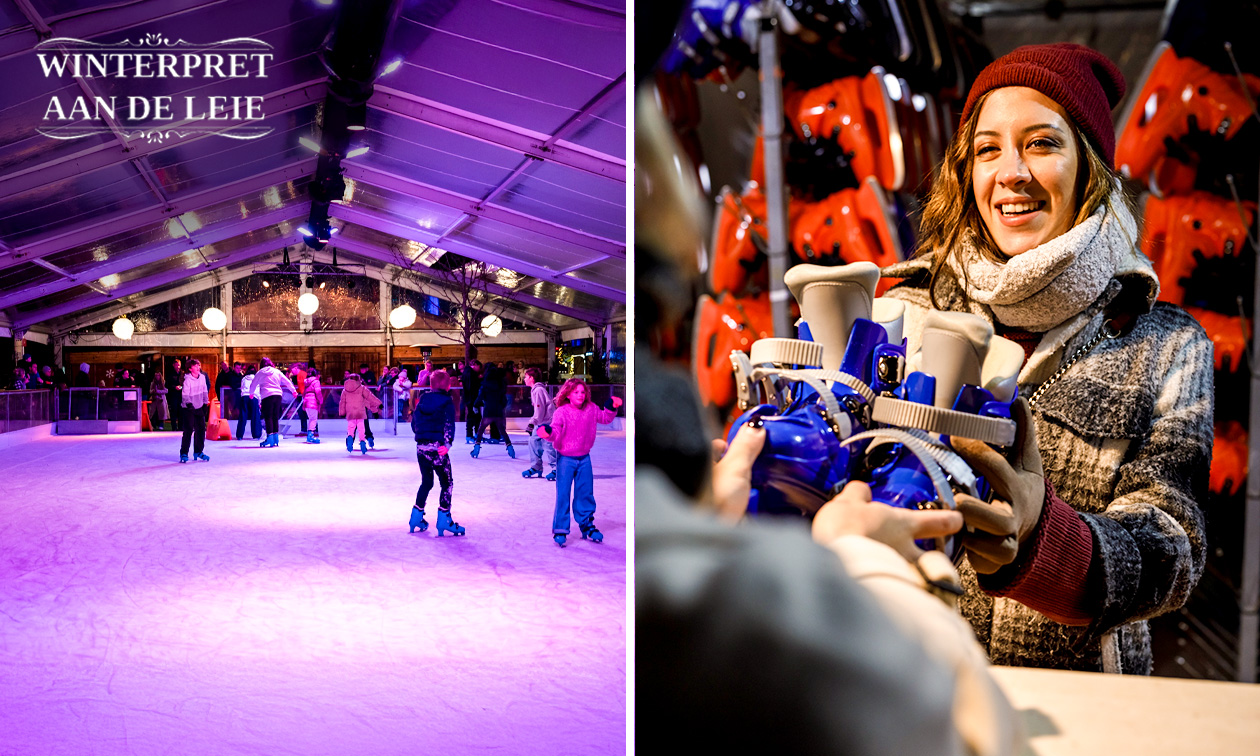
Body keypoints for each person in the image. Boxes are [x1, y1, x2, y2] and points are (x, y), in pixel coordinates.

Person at [876, 43, 1213, 674]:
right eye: (988, 148)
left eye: (1040, 143)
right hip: (911, 687)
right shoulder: (904, 310)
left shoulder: (1166, 342)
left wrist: (1044, 542)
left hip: (1084, 706)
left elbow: (1174, 548)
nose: (1011, 172)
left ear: (1088, 167)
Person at [536, 378, 620, 547]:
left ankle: (587, 525)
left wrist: (611, 406)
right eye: (576, 392)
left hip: (584, 458)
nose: (580, 395)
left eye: (582, 392)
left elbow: (604, 418)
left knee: (585, 494)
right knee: (563, 494)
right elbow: (556, 432)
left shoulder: (591, 409)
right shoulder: (562, 412)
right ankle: (560, 529)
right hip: (565, 459)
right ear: (568, 394)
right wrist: (548, 433)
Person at [408, 369, 464, 536]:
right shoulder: (447, 401)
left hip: (421, 448)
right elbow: (449, 423)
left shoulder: (423, 399)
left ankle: (416, 518)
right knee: (447, 483)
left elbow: (414, 422)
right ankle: (444, 519)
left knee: (426, 482)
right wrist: (447, 443)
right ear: (447, 386)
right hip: (437, 449)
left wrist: (421, 437)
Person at [249, 357, 297, 448]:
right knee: (275, 416)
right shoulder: (276, 371)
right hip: (278, 395)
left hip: (267, 396)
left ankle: (270, 437)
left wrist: (251, 393)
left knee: (268, 417)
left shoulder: (260, 372)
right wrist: (293, 391)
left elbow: (254, 383)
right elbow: (286, 381)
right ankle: (275, 438)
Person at [520, 368, 558, 481]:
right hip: (542, 421)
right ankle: (536, 466)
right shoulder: (536, 389)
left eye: (526, 377)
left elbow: (539, 410)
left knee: (548, 445)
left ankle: (557, 469)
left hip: (547, 422)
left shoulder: (538, 390)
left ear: (531, 378)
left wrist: (532, 423)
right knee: (533, 441)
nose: (524, 379)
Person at [470, 365, 513, 459]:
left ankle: (476, 449)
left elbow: (480, 396)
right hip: (498, 411)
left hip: (488, 410)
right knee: (502, 430)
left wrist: (475, 405)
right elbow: (504, 399)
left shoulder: (485, 385)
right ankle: (510, 448)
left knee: (481, 430)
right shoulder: (500, 385)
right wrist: (501, 407)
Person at [339, 370, 382, 455]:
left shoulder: (345, 390)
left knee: (351, 429)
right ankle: (362, 443)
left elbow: (342, 402)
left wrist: (342, 412)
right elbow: (370, 398)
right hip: (361, 413)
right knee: (362, 429)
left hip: (350, 413)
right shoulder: (362, 388)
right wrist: (378, 406)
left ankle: (350, 439)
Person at [178, 358, 211, 463]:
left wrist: (206, 403)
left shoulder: (202, 377)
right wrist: (188, 403)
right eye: (196, 365)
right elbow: (185, 394)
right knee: (188, 430)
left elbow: (205, 391)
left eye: (199, 365)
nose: (198, 367)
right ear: (190, 368)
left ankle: (198, 451)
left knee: (201, 430)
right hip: (189, 408)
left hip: (199, 406)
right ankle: (184, 453)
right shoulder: (187, 379)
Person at [237, 364, 262, 440]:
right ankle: (256, 435)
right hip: (253, 396)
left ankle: (239, 435)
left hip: (244, 396)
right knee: (255, 416)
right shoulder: (256, 378)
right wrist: (259, 401)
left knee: (243, 416)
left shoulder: (244, 378)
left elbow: (241, 388)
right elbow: (258, 391)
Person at [461, 359, 482, 444]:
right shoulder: (471, 374)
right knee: (473, 416)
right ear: (476, 365)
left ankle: (474, 434)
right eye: (479, 367)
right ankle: (471, 435)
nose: (479, 369)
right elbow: (472, 387)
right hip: (472, 399)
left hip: (469, 399)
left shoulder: (466, 373)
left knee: (474, 416)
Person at [357, 363, 378, 447]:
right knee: (358, 422)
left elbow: (370, 389)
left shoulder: (370, 375)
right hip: (359, 403)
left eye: (363, 368)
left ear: (367, 368)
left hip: (363, 402)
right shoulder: (358, 377)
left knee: (361, 421)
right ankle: (367, 437)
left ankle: (368, 437)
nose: (362, 370)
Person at [302, 367, 323, 444]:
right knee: (314, 419)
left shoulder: (306, 382)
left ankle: (309, 435)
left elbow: (304, 393)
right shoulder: (316, 381)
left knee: (311, 419)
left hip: (306, 402)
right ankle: (310, 436)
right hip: (313, 401)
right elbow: (318, 391)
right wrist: (321, 400)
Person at [167, 358, 183, 432]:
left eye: (179, 365)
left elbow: (185, 383)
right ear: (173, 365)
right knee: (173, 411)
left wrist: (181, 387)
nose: (178, 367)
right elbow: (167, 385)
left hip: (181, 395)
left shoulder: (182, 373)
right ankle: (174, 427)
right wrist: (174, 387)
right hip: (173, 395)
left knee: (181, 411)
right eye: (176, 365)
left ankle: (180, 427)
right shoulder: (170, 374)